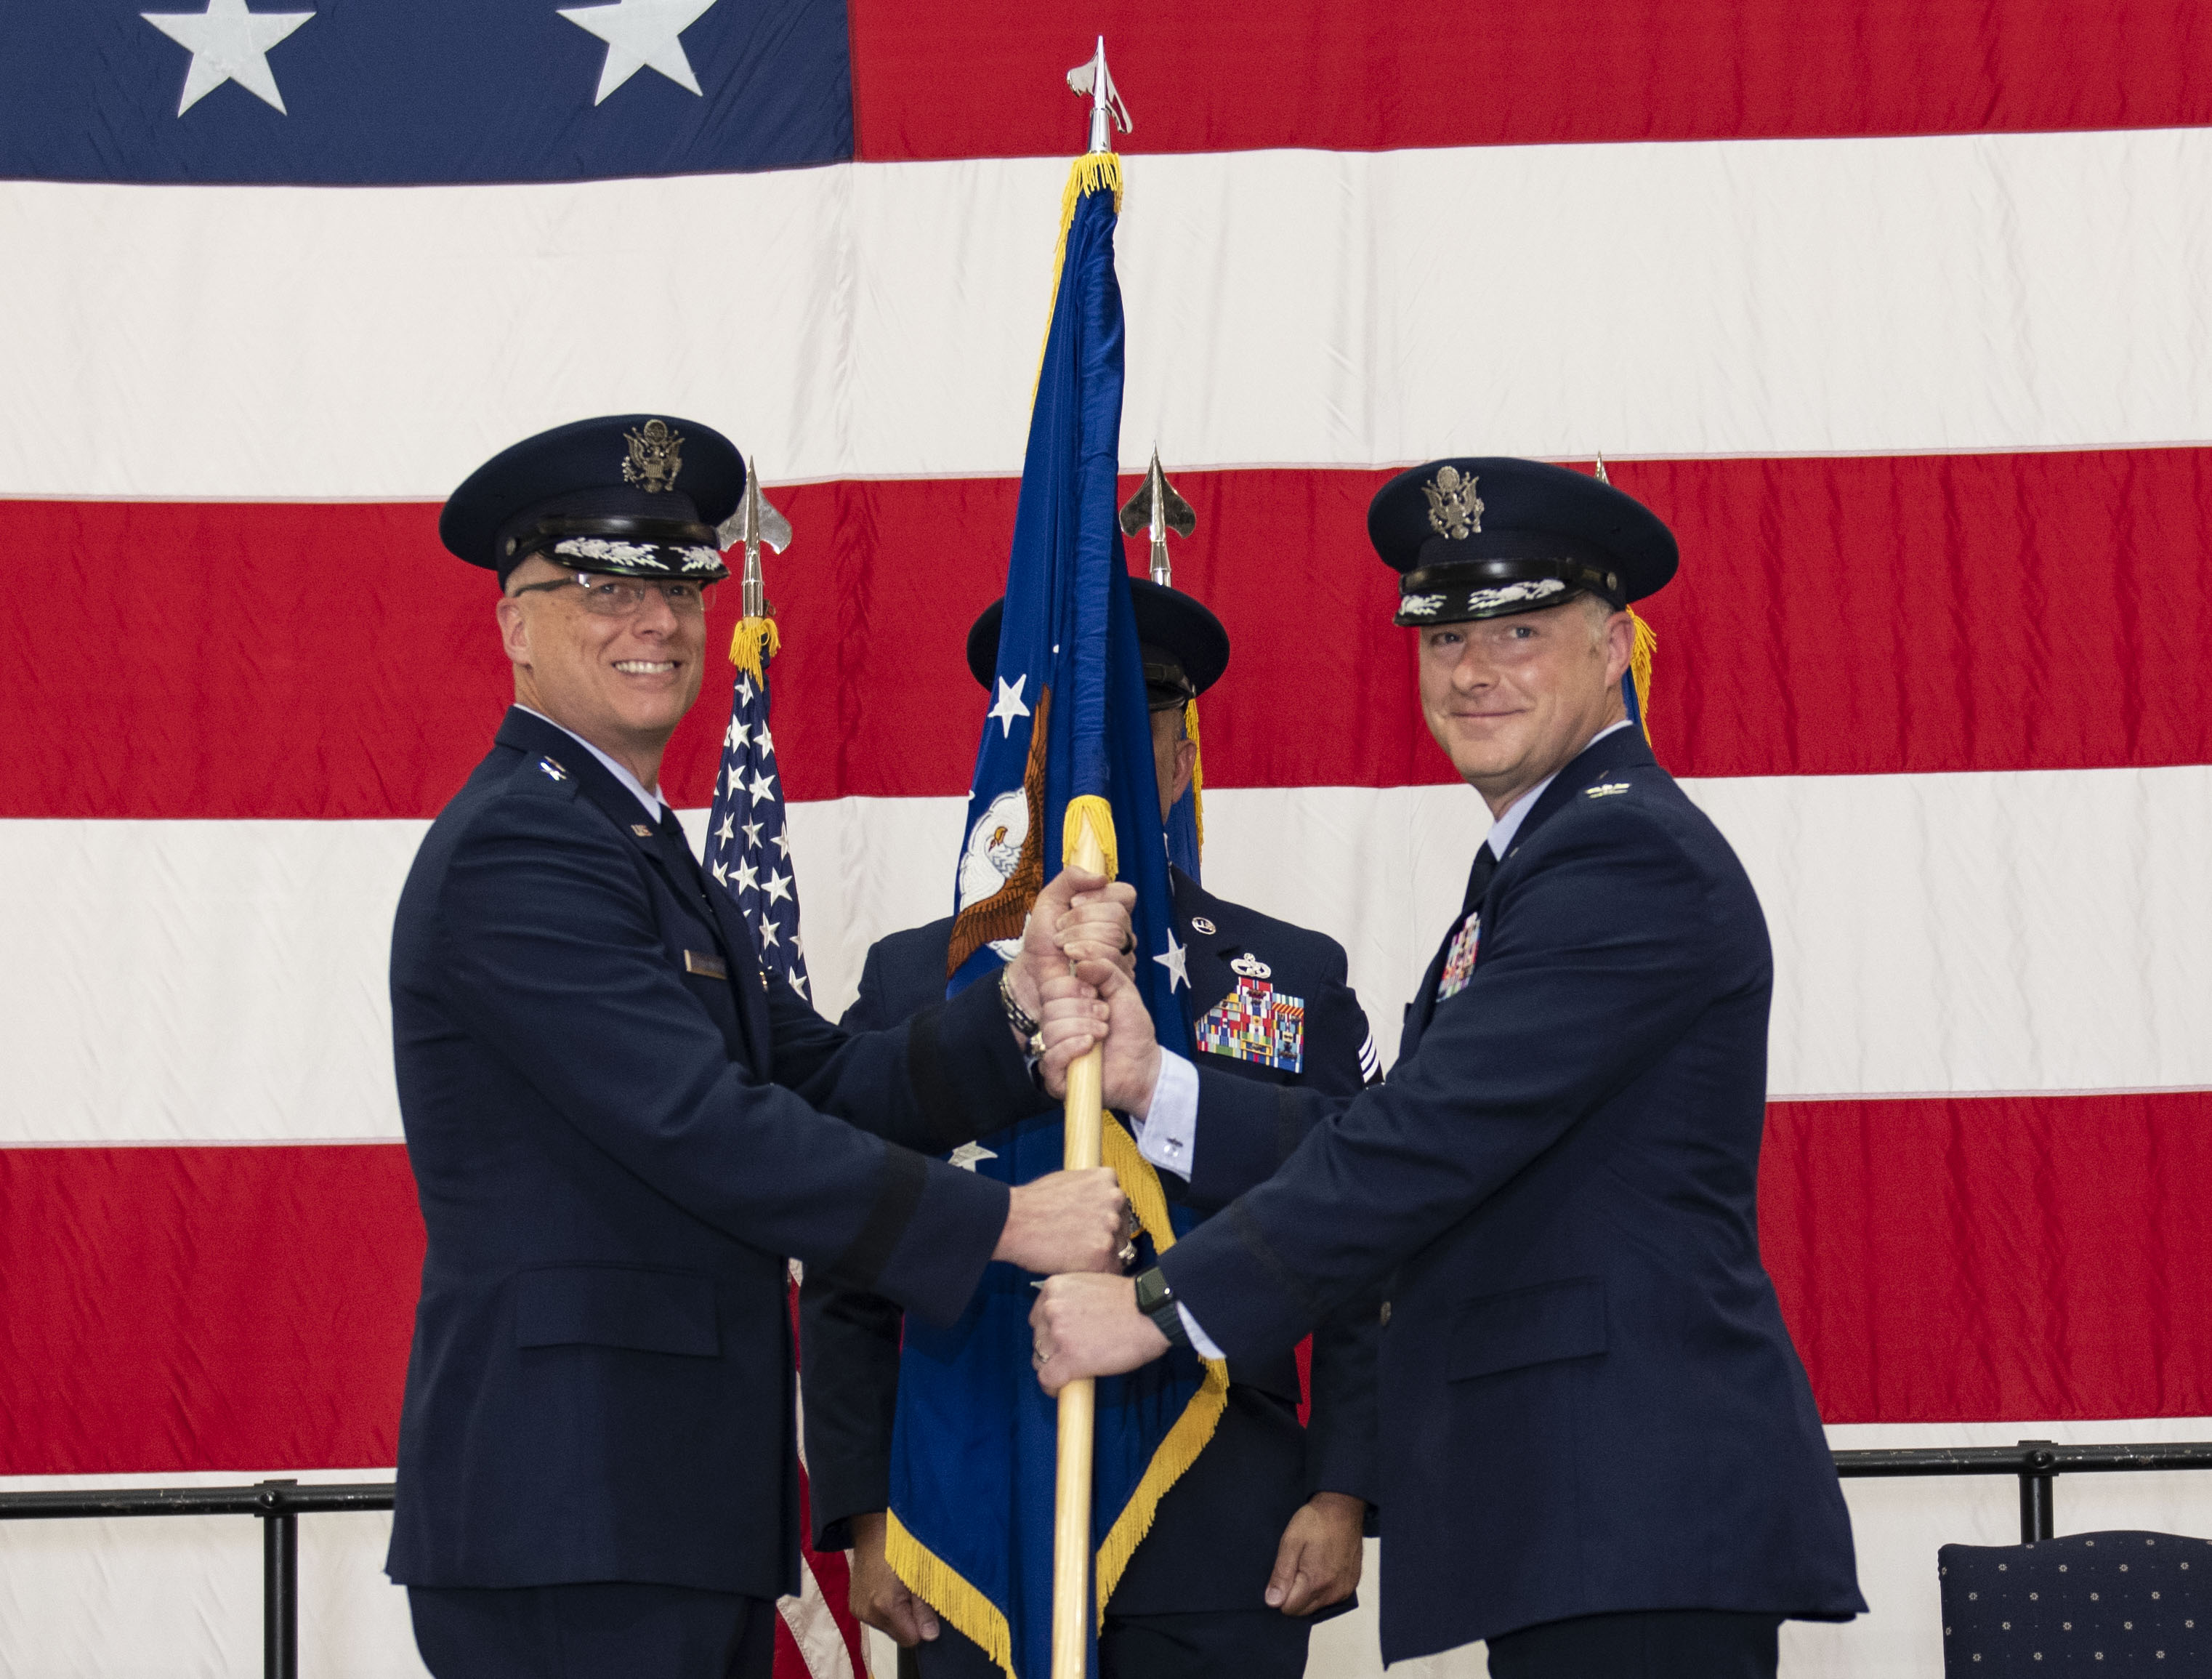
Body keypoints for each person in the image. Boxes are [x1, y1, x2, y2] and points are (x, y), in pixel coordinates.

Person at [1028, 459, 1865, 1678]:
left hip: (1635, 1515)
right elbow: (1416, 1127)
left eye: (1520, 631)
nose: (1473, 671)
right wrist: (1163, 1086)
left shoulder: (1624, 856)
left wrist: (1161, 1308)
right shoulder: (1550, 854)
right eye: (1446, 636)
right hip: (1584, 1517)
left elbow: (1423, 1143)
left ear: (1614, 644)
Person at [384, 414, 1135, 1679]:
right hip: (571, 1519)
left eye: (678, 584)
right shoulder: (521, 849)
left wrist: (1023, 998)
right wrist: (1003, 1225)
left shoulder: (638, 848)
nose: (659, 623)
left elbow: (830, 1074)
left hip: (662, 1514)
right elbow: (707, 1129)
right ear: (515, 620)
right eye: (606, 587)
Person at [801, 579, 1383, 1679]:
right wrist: (868, 1515)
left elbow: (1362, 1236)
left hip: (1222, 1524)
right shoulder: (918, 979)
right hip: (967, 1509)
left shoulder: (1289, 977)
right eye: (1070, 739)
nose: (1097, 770)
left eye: (1134, 731)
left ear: (1177, 759)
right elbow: (848, 1255)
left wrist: (1342, 1483)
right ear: (1021, 761)